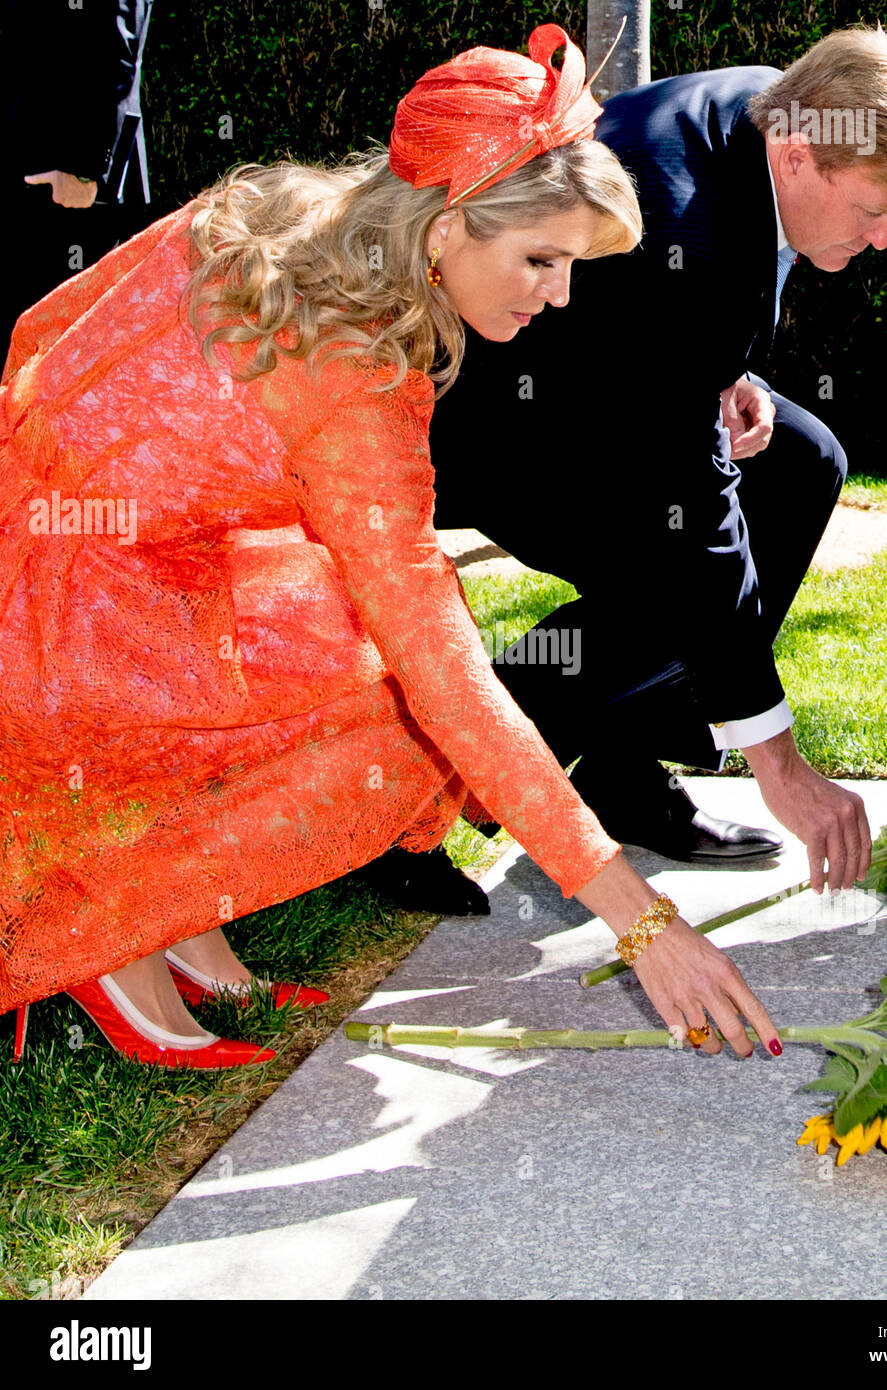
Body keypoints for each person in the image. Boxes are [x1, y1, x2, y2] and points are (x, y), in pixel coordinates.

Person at [0, 25, 782, 1071]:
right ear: (450, 222)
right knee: (410, 726)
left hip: (104, 549)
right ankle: (111, 917)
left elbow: (43, 338)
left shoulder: (289, 211)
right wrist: (640, 922)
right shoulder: (356, 377)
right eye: (540, 259)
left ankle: (175, 903)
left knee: (388, 654)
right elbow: (447, 680)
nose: (556, 295)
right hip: (56, 613)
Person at [426, 25, 887, 897]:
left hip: (598, 375)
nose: (881, 243)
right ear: (799, 156)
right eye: (875, 212)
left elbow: (676, 319)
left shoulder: (773, 103)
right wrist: (781, 764)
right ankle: (454, 750)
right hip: (498, 426)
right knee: (679, 575)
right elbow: (699, 518)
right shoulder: (692, 233)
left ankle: (615, 758)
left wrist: (723, 372)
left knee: (802, 460)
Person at [0, 1, 154, 361]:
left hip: (64, 196)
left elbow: (118, 56)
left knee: (55, 356)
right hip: (41, 185)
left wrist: (90, 177)